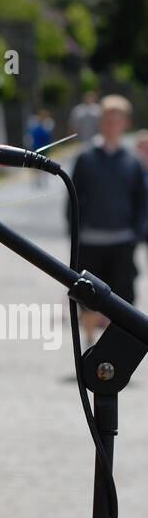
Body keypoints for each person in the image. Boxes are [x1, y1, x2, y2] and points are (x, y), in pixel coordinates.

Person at [70, 95, 146, 347]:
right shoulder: (86, 157)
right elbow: (74, 198)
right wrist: (75, 232)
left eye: (117, 120)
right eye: (108, 120)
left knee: (123, 298)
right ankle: (90, 343)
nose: (112, 125)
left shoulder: (133, 160)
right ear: (101, 122)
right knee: (87, 295)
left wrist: (136, 233)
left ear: (125, 123)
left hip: (122, 239)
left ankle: (114, 347)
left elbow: (141, 199)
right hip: (91, 239)